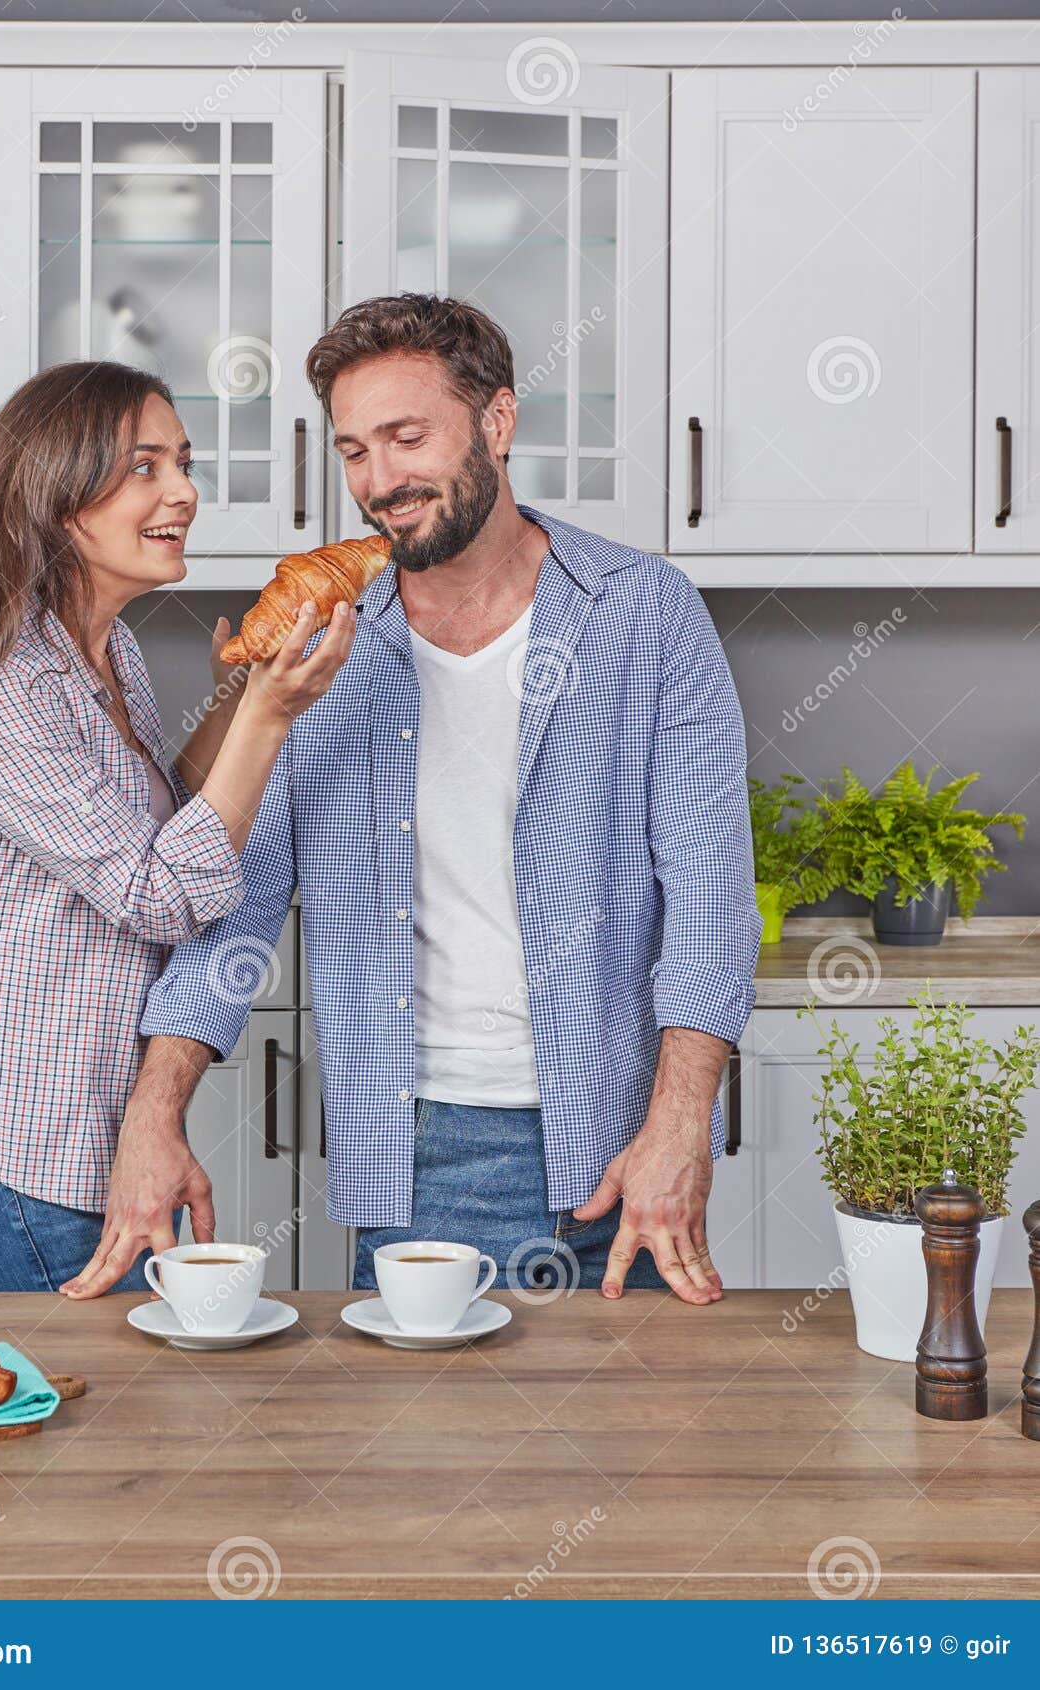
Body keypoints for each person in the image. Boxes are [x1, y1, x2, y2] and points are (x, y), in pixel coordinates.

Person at [60, 296, 761, 1305]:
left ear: (496, 423)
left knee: (622, 1454)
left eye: (405, 437)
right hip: (412, 1149)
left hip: (619, 1146)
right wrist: (152, 1110)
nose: (379, 481)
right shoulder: (319, 648)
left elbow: (708, 899)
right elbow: (235, 907)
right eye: (353, 450)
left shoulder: (645, 614)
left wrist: (680, 1121)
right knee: (422, 1461)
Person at [0, 360, 354, 1291]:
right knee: (91, 1421)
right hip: (27, 1141)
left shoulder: (101, 643)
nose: (184, 493)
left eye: (185, 463)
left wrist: (238, 698)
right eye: (145, 467)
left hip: (95, 1126)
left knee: (109, 1415)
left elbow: (153, 829)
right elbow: (162, 897)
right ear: (55, 496)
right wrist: (269, 718)